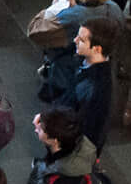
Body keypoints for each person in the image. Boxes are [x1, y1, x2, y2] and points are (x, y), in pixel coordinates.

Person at [41, 20, 117, 155]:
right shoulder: (88, 63)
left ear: (97, 49)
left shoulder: (95, 85)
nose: (75, 40)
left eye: (81, 39)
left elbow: (85, 126)